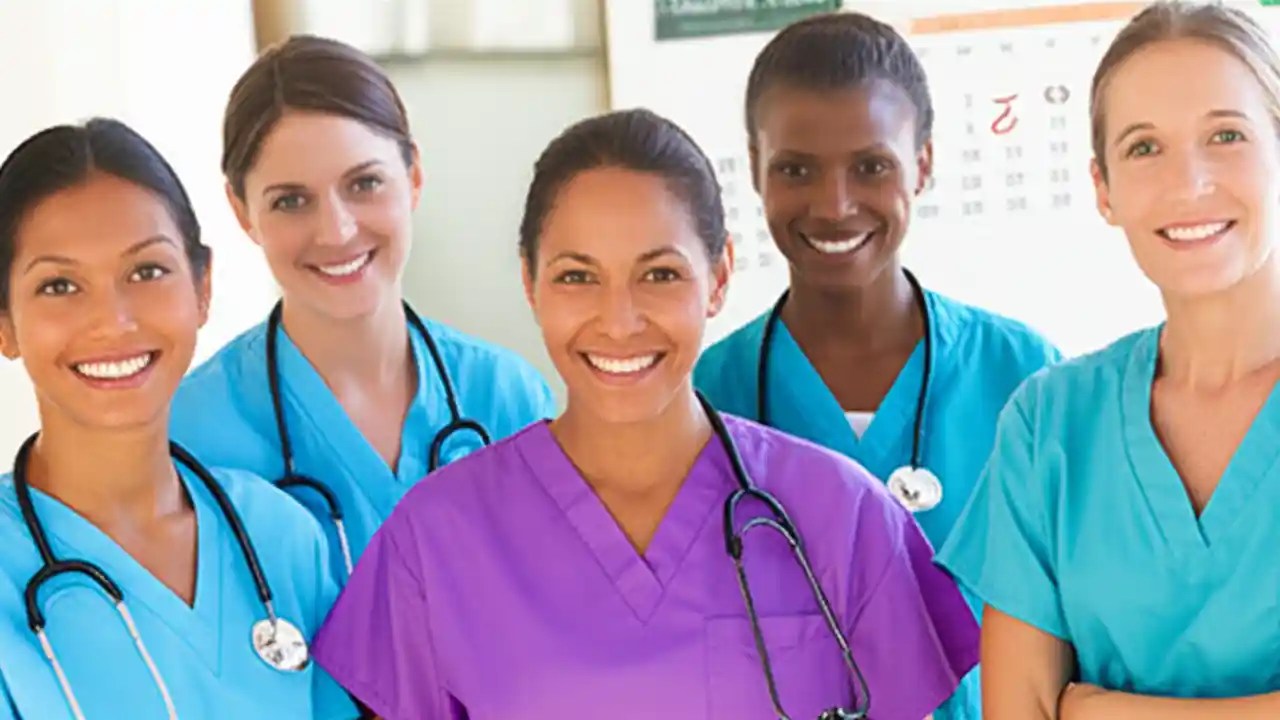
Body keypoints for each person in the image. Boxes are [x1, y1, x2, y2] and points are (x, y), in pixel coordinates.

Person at [309, 108, 978, 720]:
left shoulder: (842, 515)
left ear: (718, 277)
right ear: (530, 283)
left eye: (659, 274)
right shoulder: (437, 538)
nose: (619, 321)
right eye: (577, 276)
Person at [692, 14, 1063, 716]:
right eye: (796, 169)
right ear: (755, 168)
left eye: (871, 166)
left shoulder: (1024, 379)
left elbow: (1079, 627)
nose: (834, 205)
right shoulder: (709, 394)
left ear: (922, 164)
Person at [937, 2, 1280, 717]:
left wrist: (1106, 710)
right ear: (1103, 190)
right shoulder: (1050, 424)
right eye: (1144, 147)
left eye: (1226, 135)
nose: (1189, 182)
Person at [0, 119, 357, 718]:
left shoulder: (280, 536)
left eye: (146, 271)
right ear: (5, 324)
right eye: (60, 285)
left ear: (202, 287)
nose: (113, 321)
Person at [170, 35, 556, 580]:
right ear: (241, 211)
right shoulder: (193, 434)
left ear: (414, 176)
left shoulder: (504, 399)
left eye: (365, 183)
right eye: (290, 201)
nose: (336, 231)